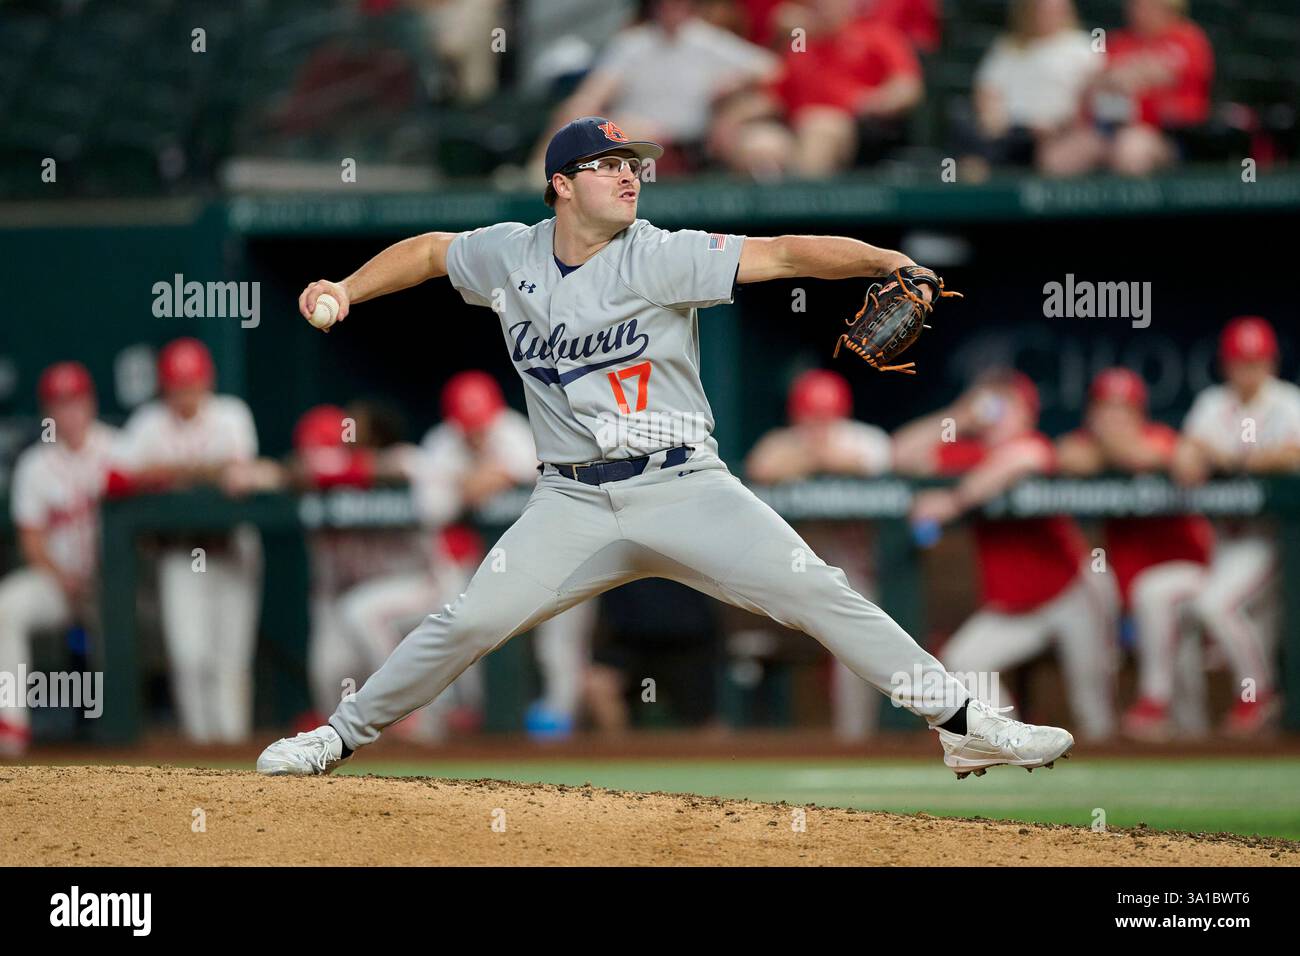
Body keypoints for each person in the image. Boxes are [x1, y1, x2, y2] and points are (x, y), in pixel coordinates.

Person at [258, 114, 1074, 779]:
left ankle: (965, 724)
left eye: (636, 165)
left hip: (684, 487)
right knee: (468, 620)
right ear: (562, 185)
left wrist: (883, 258)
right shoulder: (511, 252)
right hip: (572, 501)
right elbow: (433, 250)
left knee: (821, 593)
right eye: (610, 163)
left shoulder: (663, 253)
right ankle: (336, 738)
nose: (630, 175)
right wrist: (345, 288)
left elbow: (785, 254)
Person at [894, 370, 1117, 741]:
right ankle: (1014, 741)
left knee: (1091, 704)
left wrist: (954, 501)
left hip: (1070, 594)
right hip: (1014, 609)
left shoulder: (1031, 445)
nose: (995, 412)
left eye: (1006, 404)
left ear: (1027, 413)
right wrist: (959, 415)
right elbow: (901, 454)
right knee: (964, 662)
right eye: (992, 402)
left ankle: (1112, 778)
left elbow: (1025, 458)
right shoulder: (972, 454)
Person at [115, 338, 262, 743]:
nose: (186, 393)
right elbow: (123, 475)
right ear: (164, 387)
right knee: (188, 656)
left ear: (206, 381)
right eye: (178, 385)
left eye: (192, 383)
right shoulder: (148, 422)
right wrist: (201, 472)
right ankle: (200, 755)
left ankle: (234, 751)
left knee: (230, 661)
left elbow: (238, 472)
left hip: (232, 549)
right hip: (179, 551)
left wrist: (171, 474)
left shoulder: (231, 414)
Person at [1056, 368, 1214, 741]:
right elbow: (1066, 456)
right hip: (1134, 588)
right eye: (1105, 408)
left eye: (1122, 409)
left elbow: (1174, 459)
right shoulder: (1086, 445)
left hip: (1188, 574)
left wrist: (1112, 447)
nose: (1113, 418)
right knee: (1176, 662)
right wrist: (1104, 448)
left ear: (1139, 414)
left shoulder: (1159, 438)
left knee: (1185, 678)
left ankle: (1192, 740)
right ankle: (1120, 735)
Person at [745, 368, 893, 739]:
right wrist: (811, 456)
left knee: (854, 633)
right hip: (795, 575)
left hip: (862, 572)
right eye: (810, 416)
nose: (817, 426)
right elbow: (761, 467)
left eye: (825, 417)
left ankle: (853, 741)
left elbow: (868, 462)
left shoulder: (867, 438)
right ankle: (759, 744)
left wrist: (814, 459)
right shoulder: (782, 441)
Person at [1171, 316, 1300, 736]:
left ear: (1271, 362)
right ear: (1226, 364)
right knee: (1219, 615)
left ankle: (1258, 696)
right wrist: (1194, 451)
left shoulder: (1287, 402)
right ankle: (1187, 720)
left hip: (1271, 540)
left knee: (1216, 605)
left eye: (1256, 361)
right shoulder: (1212, 403)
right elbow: (1185, 456)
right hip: (1223, 541)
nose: (1248, 371)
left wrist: (1233, 457)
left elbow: (1290, 455)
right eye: (1240, 362)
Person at [0, 363, 117, 757]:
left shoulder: (119, 448)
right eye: (59, 404)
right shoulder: (35, 464)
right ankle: (11, 725)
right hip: (58, 583)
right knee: (7, 604)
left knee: (118, 618)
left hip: (113, 585)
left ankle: (126, 735)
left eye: (76, 402)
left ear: (91, 403)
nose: (69, 413)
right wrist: (62, 577)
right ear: (47, 412)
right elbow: (31, 540)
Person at [528, 0, 779, 178]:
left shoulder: (708, 41)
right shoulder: (631, 44)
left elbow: (772, 68)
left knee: (763, 145)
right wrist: (586, 108)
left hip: (691, 142)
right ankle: (540, 175)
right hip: (630, 132)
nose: (672, 8)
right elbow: (594, 92)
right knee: (581, 110)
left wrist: (735, 84)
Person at [726, 0, 923, 178]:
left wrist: (876, 102)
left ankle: (804, 210)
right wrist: (736, 118)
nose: (821, 7)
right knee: (757, 143)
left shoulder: (876, 35)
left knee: (820, 127)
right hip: (796, 127)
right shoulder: (800, 44)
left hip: (854, 129)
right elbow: (774, 95)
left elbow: (907, 88)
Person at [1051, 0, 1213, 177]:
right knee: (1058, 158)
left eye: (1145, 6)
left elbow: (1162, 73)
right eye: (1134, 5)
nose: (1136, 11)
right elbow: (1096, 83)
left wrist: (1128, 75)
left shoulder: (1187, 38)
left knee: (1130, 150)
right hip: (1112, 127)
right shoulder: (1119, 41)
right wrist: (1117, 78)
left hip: (1169, 135)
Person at [959, 0, 1103, 179]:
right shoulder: (1008, 46)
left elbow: (1092, 96)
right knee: (973, 156)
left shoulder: (1083, 46)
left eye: (1056, 11)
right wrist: (991, 116)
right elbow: (987, 89)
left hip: (1054, 132)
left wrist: (1060, 126)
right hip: (1008, 130)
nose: (1049, 16)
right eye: (1043, 10)